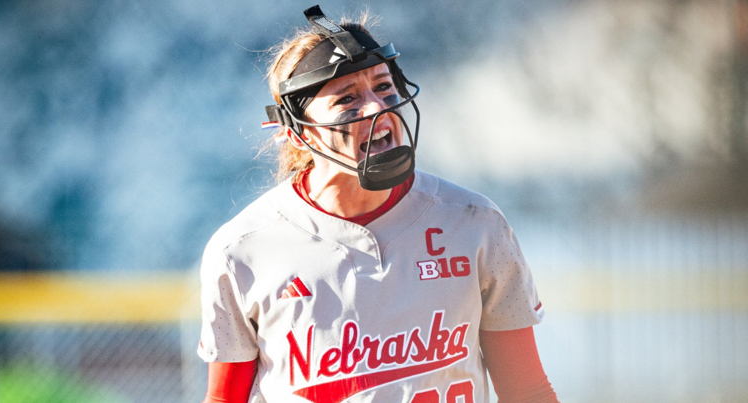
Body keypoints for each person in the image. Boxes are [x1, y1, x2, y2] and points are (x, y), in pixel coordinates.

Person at [198, 5, 559, 403]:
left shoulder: (475, 224)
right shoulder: (242, 250)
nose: (377, 107)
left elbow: (526, 391)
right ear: (298, 134)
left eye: (384, 86)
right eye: (347, 99)